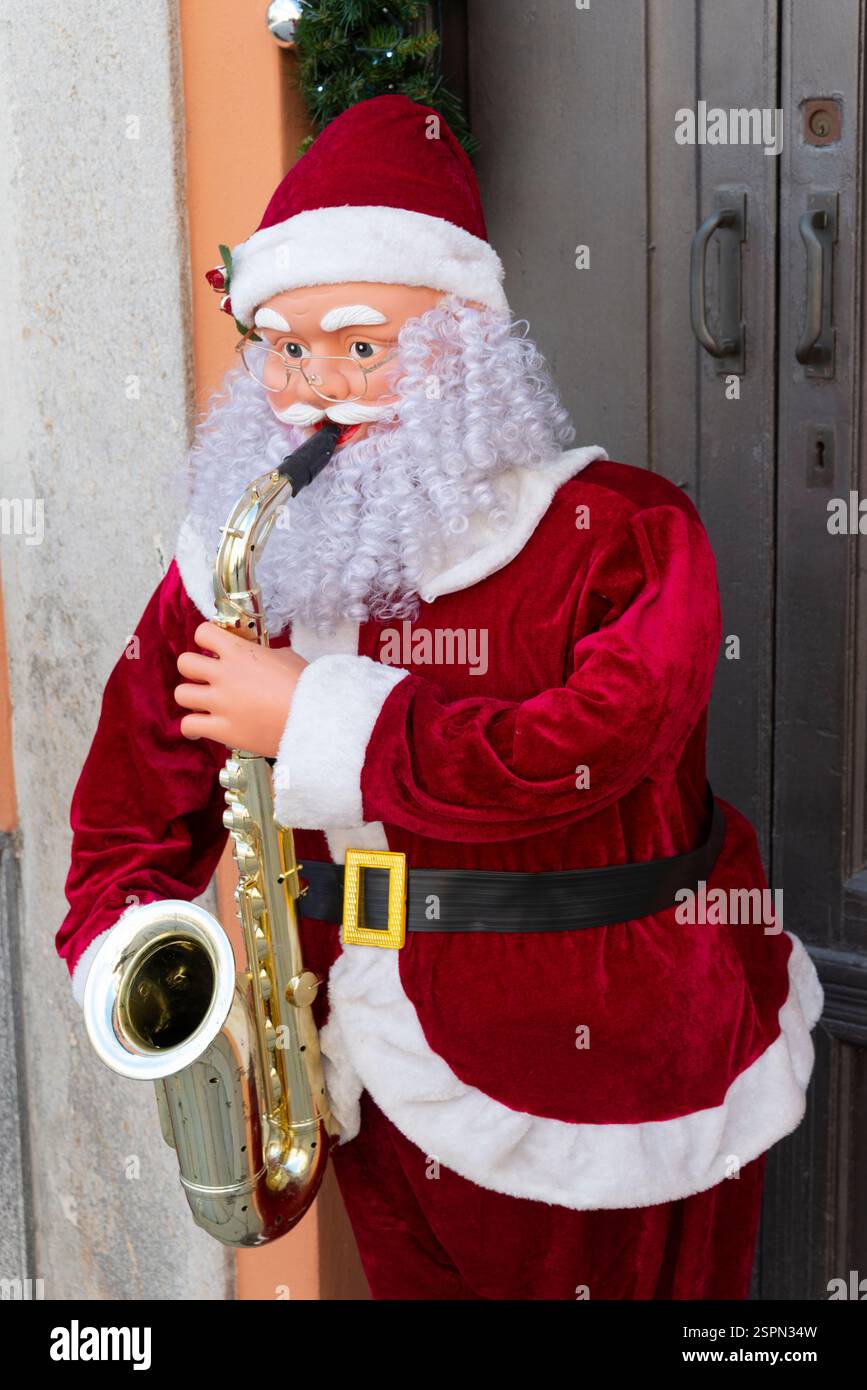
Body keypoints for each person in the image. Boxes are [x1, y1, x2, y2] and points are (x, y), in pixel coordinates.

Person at [57, 94, 824, 1300]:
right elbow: (126, 804)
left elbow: (594, 745)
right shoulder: (235, 552)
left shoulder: (623, 531)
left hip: (602, 1086)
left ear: (469, 342)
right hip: (355, 1079)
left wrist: (317, 722)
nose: (313, 395)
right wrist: (129, 951)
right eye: (284, 349)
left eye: (362, 347)